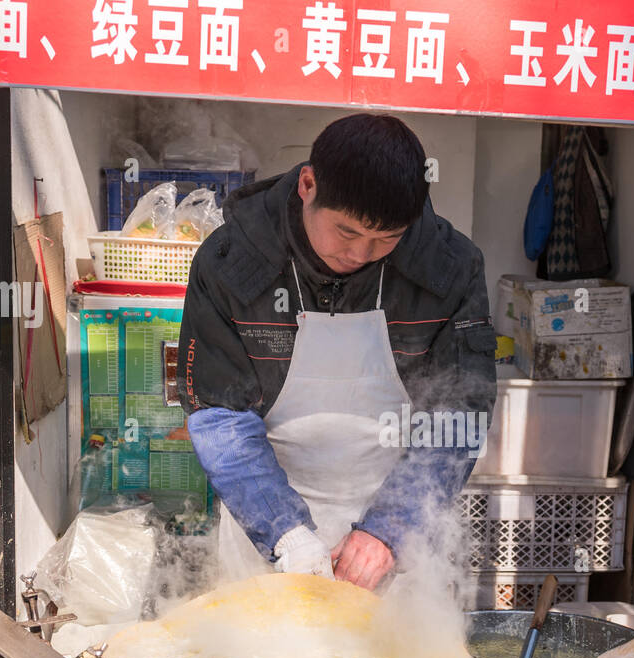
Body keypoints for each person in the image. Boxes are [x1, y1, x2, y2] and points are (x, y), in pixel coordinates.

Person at [179, 113, 497, 590]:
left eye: (386, 238)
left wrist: (389, 529)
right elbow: (221, 415)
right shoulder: (231, 263)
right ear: (308, 184)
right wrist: (285, 533)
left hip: (395, 531)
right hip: (264, 521)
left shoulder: (450, 268)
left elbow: (458, 415)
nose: (361, 254)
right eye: (347, 232)